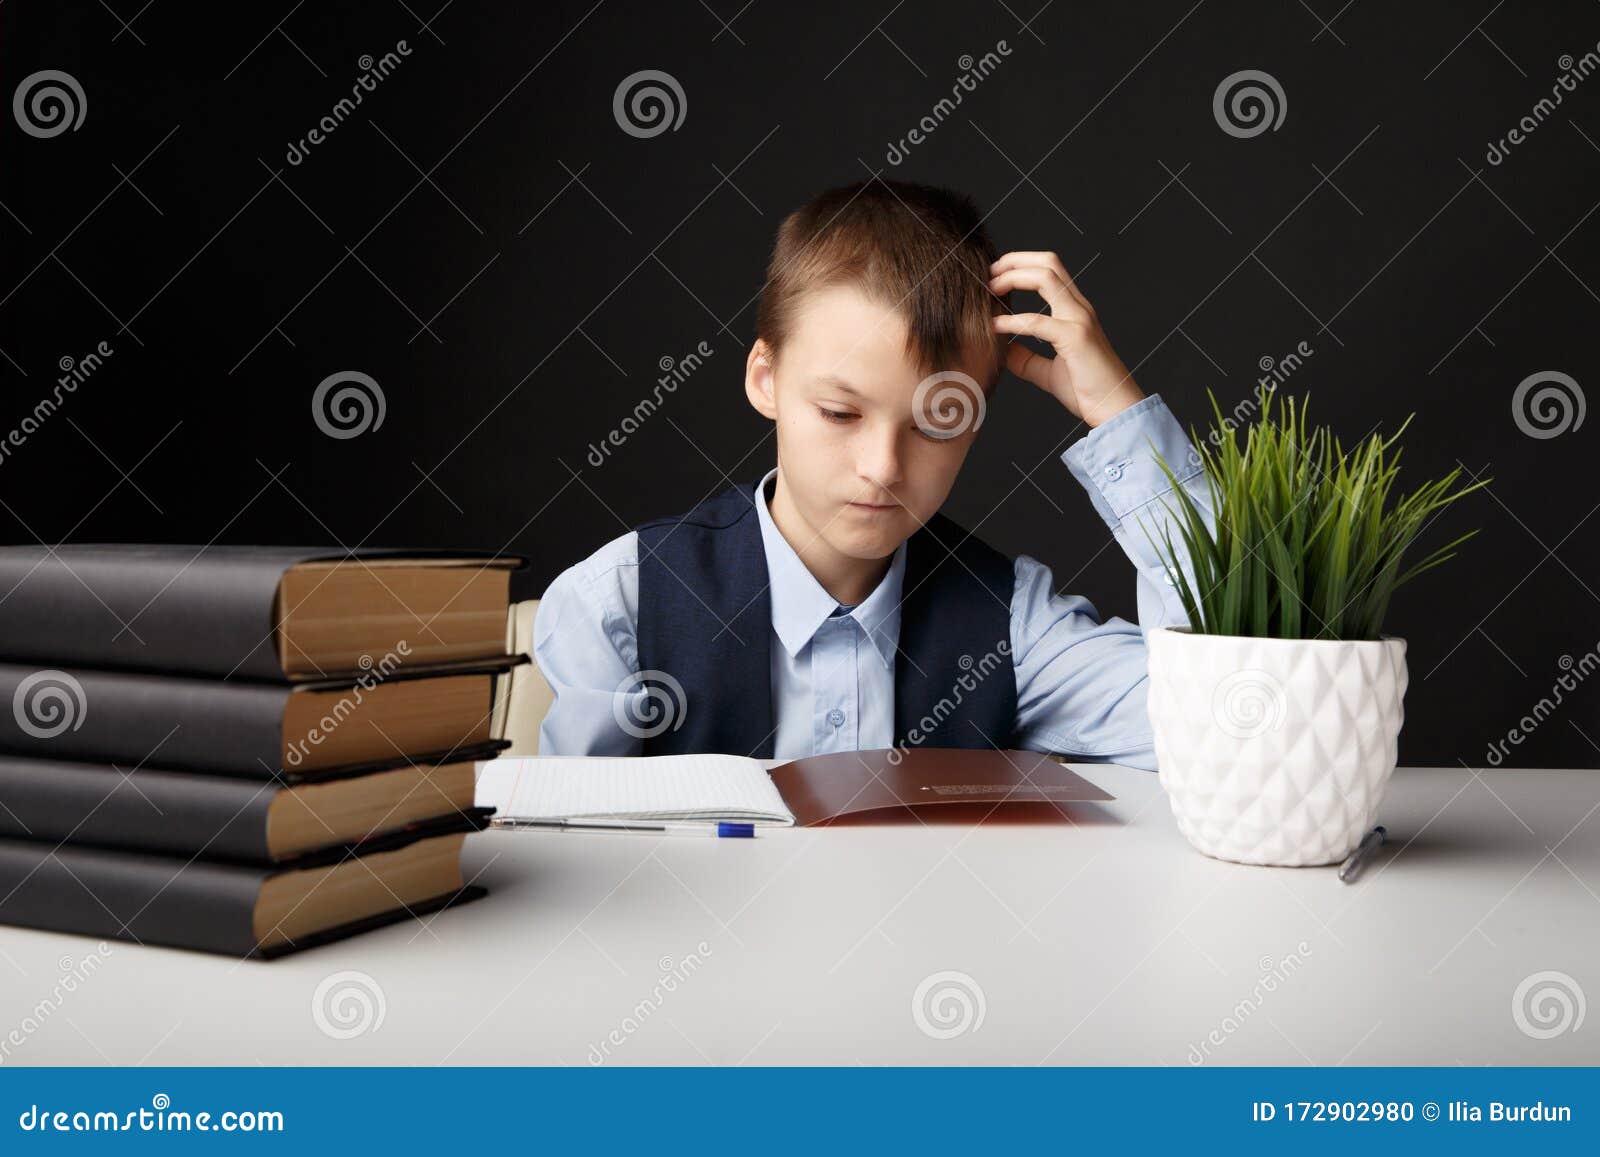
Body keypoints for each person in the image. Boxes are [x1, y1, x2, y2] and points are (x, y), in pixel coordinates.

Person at [533, 179, 1212, 770]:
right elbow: (580, 869)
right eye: (839, 412)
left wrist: (1116, 411)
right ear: (765, 379)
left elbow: (1233, 725)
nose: (883, 468)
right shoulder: (622, 605)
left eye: (935, 422)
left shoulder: (1010, 624)